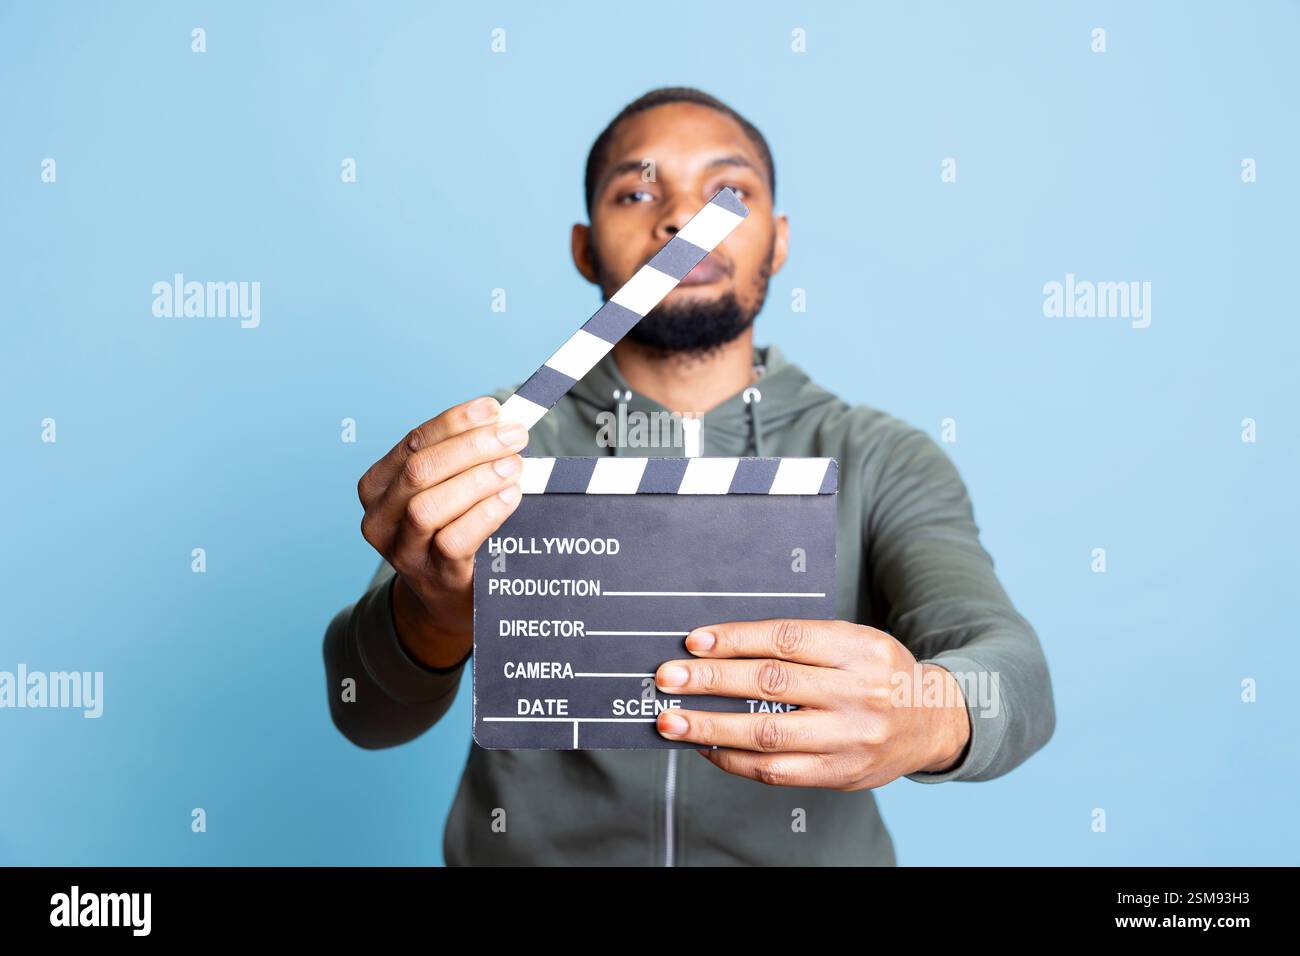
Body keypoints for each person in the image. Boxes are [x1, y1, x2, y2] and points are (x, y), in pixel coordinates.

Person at [323, 86, 1055, 866]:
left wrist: (930, 712)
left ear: (776, 241)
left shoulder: (878, 455)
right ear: (584, 247)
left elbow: (1017, 677)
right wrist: (432, 610)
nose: (679, 217)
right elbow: (364, 712)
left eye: (726, 192)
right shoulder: (499, 443)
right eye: (637, 192)